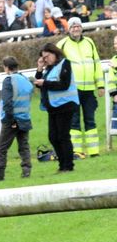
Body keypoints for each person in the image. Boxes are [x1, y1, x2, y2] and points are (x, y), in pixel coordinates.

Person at [57, 16, 102, 159]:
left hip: (89, 90)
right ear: (68, 29)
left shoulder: (89, 42)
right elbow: (57, 67)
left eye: (78, 26)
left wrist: (100, 85)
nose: (76, 29)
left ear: (81, 28)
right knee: (74, 121)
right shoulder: (62, 44)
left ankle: (94, 151)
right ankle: (76, 151)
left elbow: (97, 63)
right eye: (73, 26)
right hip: (71, 91)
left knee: (90, 119)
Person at [34, 42, 79, 173]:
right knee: (53, 137)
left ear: (54, 53)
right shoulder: (48, 68)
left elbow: (63, 85)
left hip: (65, 105)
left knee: (63, 136)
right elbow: (39, 82)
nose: (45, 59)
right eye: (43, 58)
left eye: (46, 56)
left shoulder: (65, 64)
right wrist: (39, 68)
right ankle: (62, 164)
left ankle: (68, 166)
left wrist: (45, 83)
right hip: (53, 107)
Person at [0, 56, 33, 181]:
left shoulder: (8, 81)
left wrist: (10, 120)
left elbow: (7, 103)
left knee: (1, 148)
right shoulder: (25, 80)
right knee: (23, 146)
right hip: (25, 117)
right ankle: (26, 169)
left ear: (6, 67)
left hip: (12, 119)